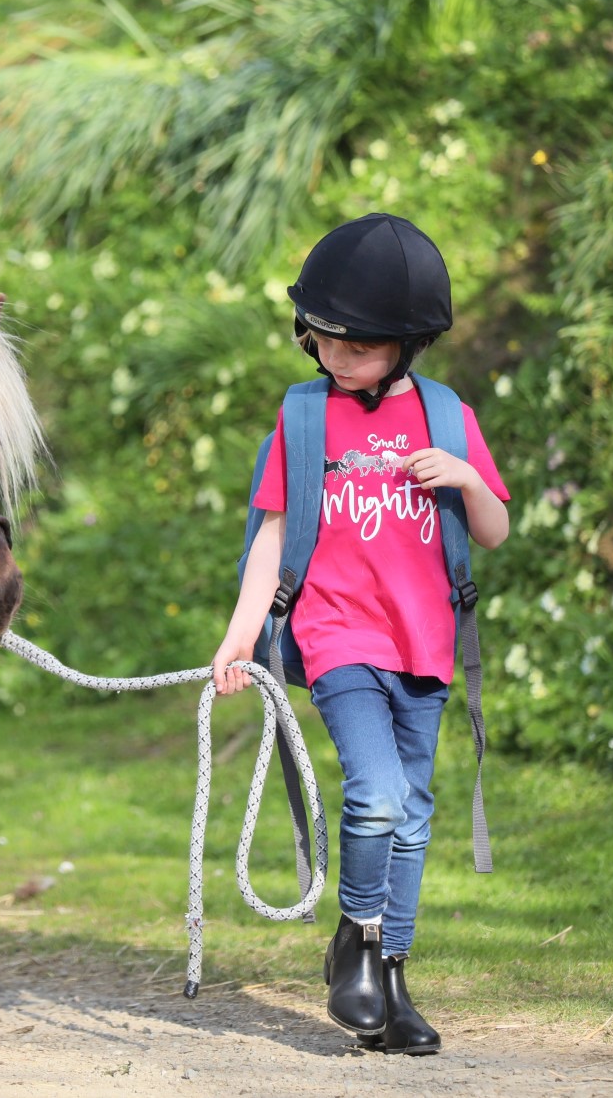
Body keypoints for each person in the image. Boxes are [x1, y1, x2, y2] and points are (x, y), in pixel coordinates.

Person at [210, 213, 510, 1055]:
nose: (338, 358)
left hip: (426, 644)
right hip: (339, 636)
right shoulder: (305, 420)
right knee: (376, 793)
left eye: (360, 346)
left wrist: (464, 478)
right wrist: (239, 636)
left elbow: (494, 531)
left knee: (415, 814)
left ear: (408, 345)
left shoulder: (447, 419)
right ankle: (354, 939)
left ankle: (392, 976)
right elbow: (271, 536)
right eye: (325, 340)